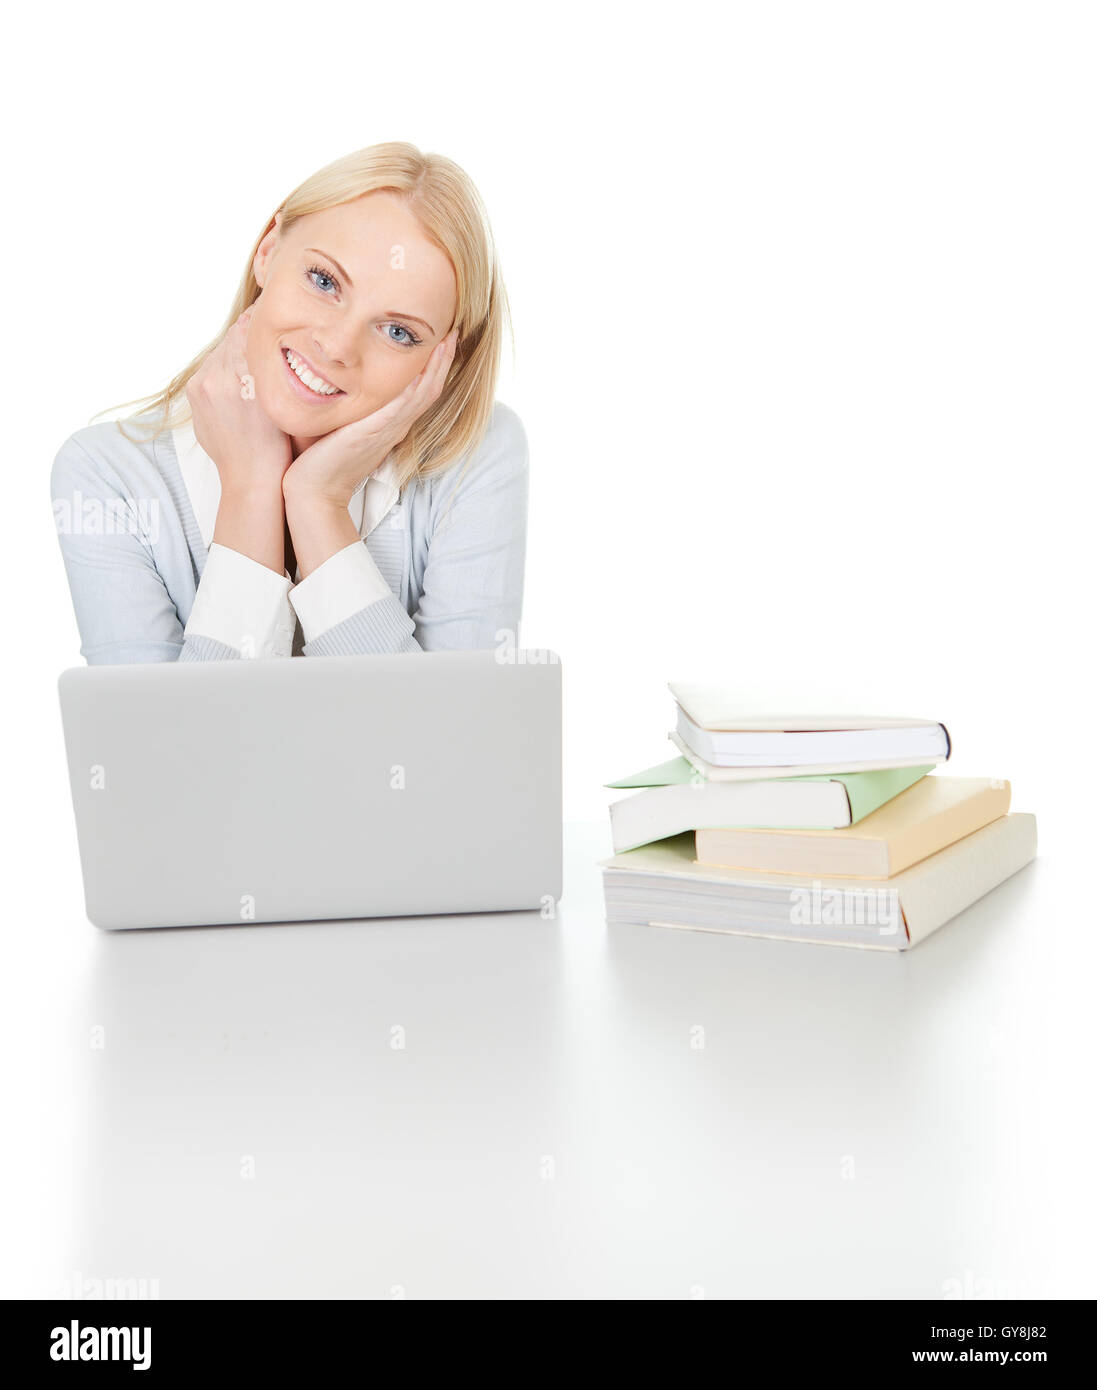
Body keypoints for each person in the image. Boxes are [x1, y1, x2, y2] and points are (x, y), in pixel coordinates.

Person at [50, 142, 529, 664]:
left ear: (446, 360)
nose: (337, 345)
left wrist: (319, 503)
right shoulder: (106, 477)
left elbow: (449, 741)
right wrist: (250, 490)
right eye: (324, 281)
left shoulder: (477, 457)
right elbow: (174, 746)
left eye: (398, 331)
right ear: (268, 250)